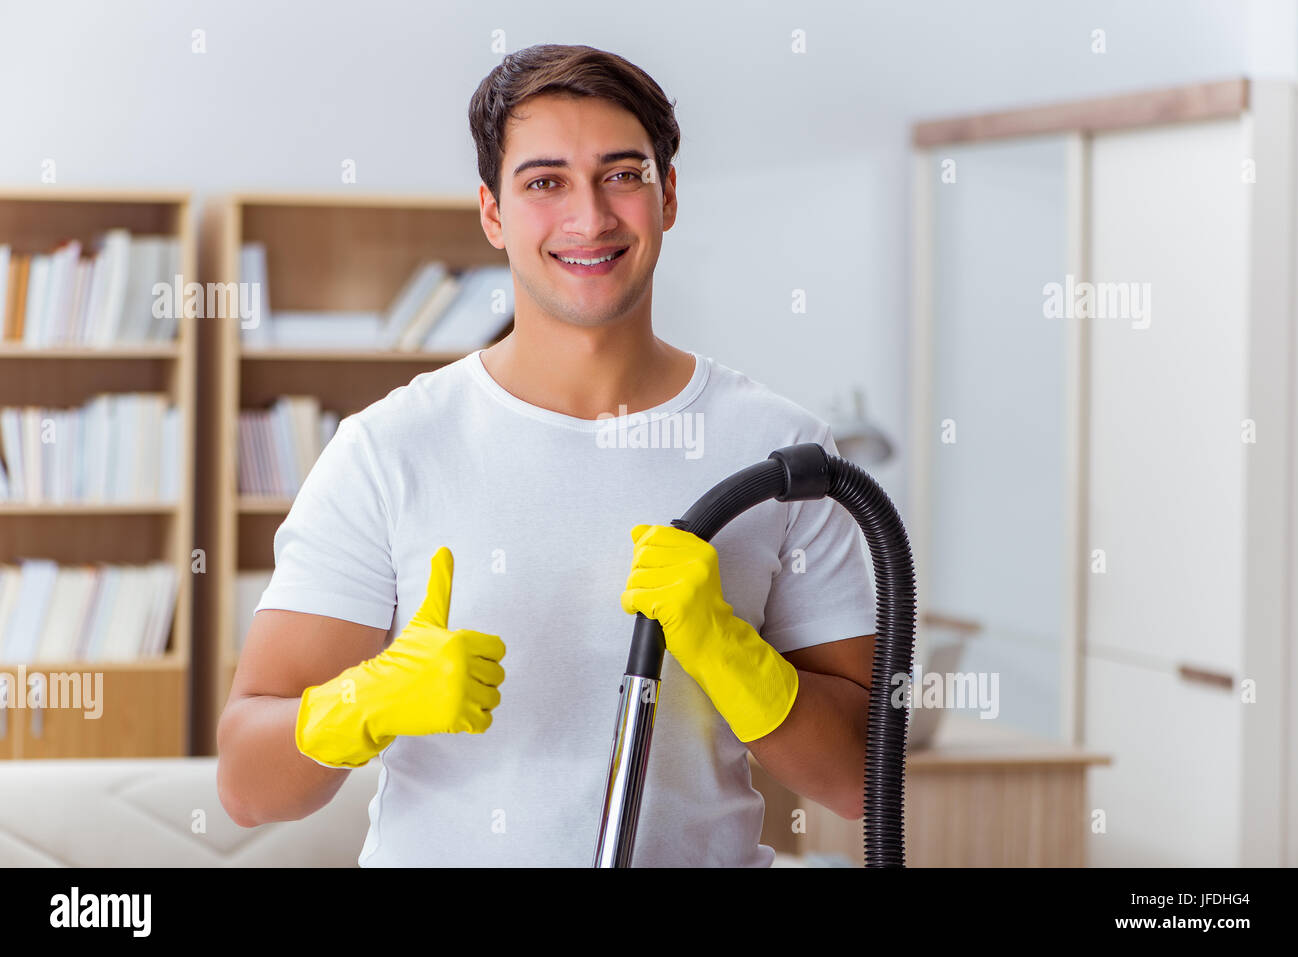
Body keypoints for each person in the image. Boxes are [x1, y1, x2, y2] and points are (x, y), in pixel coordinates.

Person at [216, 42, 876, 867]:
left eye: (623, 174)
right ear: (492, 212)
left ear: (667, 195)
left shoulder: (780, 451)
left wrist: (728, 649)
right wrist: (364, 701)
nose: (589, 216)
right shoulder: (389, 449)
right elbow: (245, 783)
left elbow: (860, 780)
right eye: (544, 181)